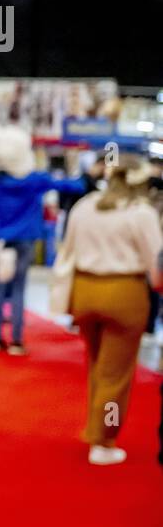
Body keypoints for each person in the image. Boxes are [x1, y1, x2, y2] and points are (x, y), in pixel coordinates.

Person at [59, 158, 163, 465]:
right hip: (124, 293)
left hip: (85, 289)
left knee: (97, 364)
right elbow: (156, 262)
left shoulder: (86, 206)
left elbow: (68, 248)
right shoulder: (140, 213)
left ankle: (94, 427)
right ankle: (103, 440)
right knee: (116, 374)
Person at [0, 126, 85, 355]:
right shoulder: (34, 180)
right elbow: (74, 186)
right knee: (19, 289)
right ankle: (17, 341)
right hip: (25, 239)